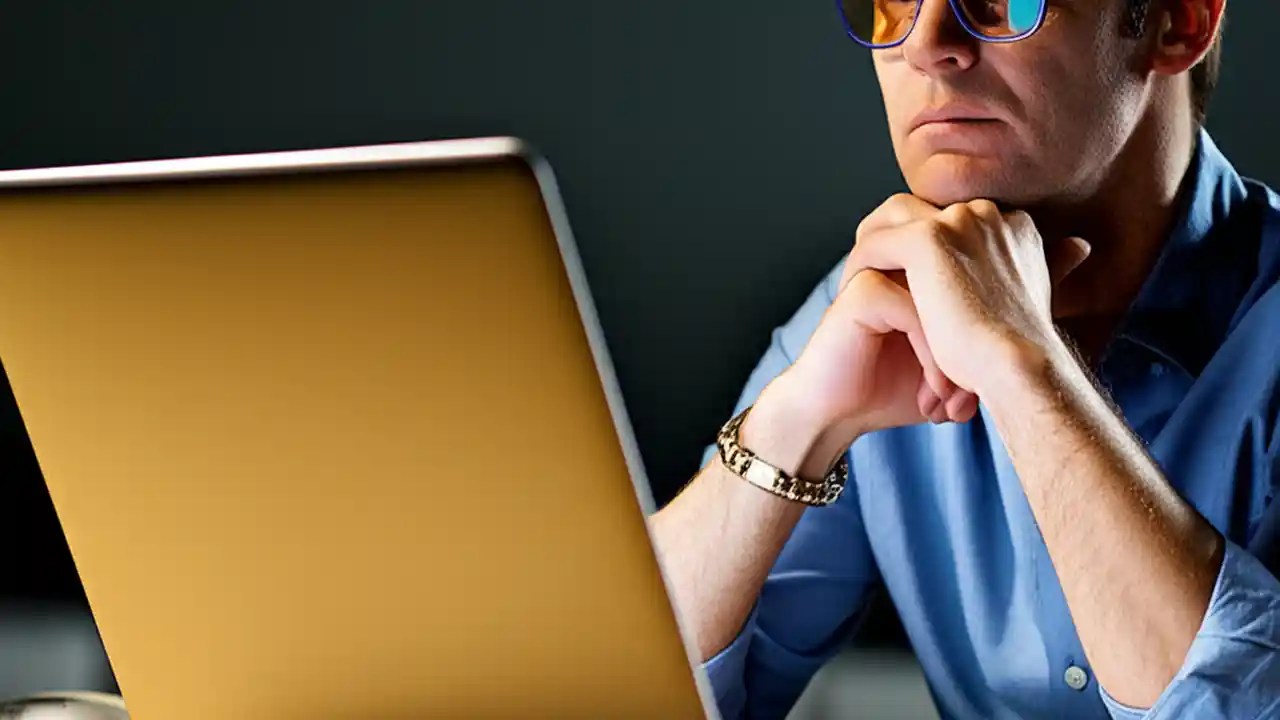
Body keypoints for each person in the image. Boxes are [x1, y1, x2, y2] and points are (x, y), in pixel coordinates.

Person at [650, 0, 1280, 717]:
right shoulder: (872, 310)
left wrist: (1028, 376)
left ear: (1180, 23)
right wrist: (795, 425)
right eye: (893, 3)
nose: (926, 45)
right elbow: (611, 691)